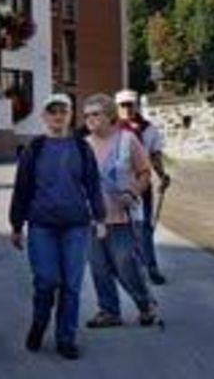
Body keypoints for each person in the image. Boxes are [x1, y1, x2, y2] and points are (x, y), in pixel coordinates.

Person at [9, 93, 106, 360]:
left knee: (71, 285)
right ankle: (39, 322)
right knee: (47, 281)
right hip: (42, 226)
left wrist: (100, 218)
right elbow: (22, 189)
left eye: (63, 111)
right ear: (44, 116)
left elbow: (93, 185)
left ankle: (66, 338)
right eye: (52, 111)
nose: (58, 116)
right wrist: (16, 225)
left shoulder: (81, 148)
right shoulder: (35, 149)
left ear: (70, 115)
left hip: (76, 225)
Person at [82, 93, 161, 328]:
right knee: (99, 267)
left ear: (110, 116)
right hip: (92, 218)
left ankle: (145, 305)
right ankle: (109, 311)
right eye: (86, 115)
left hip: (124, 217)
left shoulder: (128, 140)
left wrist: (133, 192)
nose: (90, 119)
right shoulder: (83, 145)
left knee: (126, 264)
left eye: (95, 114)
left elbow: (144, 172)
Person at [116, 89, 171, 285]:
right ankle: (125, 268)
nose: (127, 109)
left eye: (130, 104)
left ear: (137, 105)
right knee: (121, 227)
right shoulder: (113, 129)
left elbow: (155, 155)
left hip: (143, 184)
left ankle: (151, 267)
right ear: (117, 107)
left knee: (145, 227)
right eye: (123, 105)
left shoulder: (149, 129)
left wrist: (162, 175)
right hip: (119, 186)